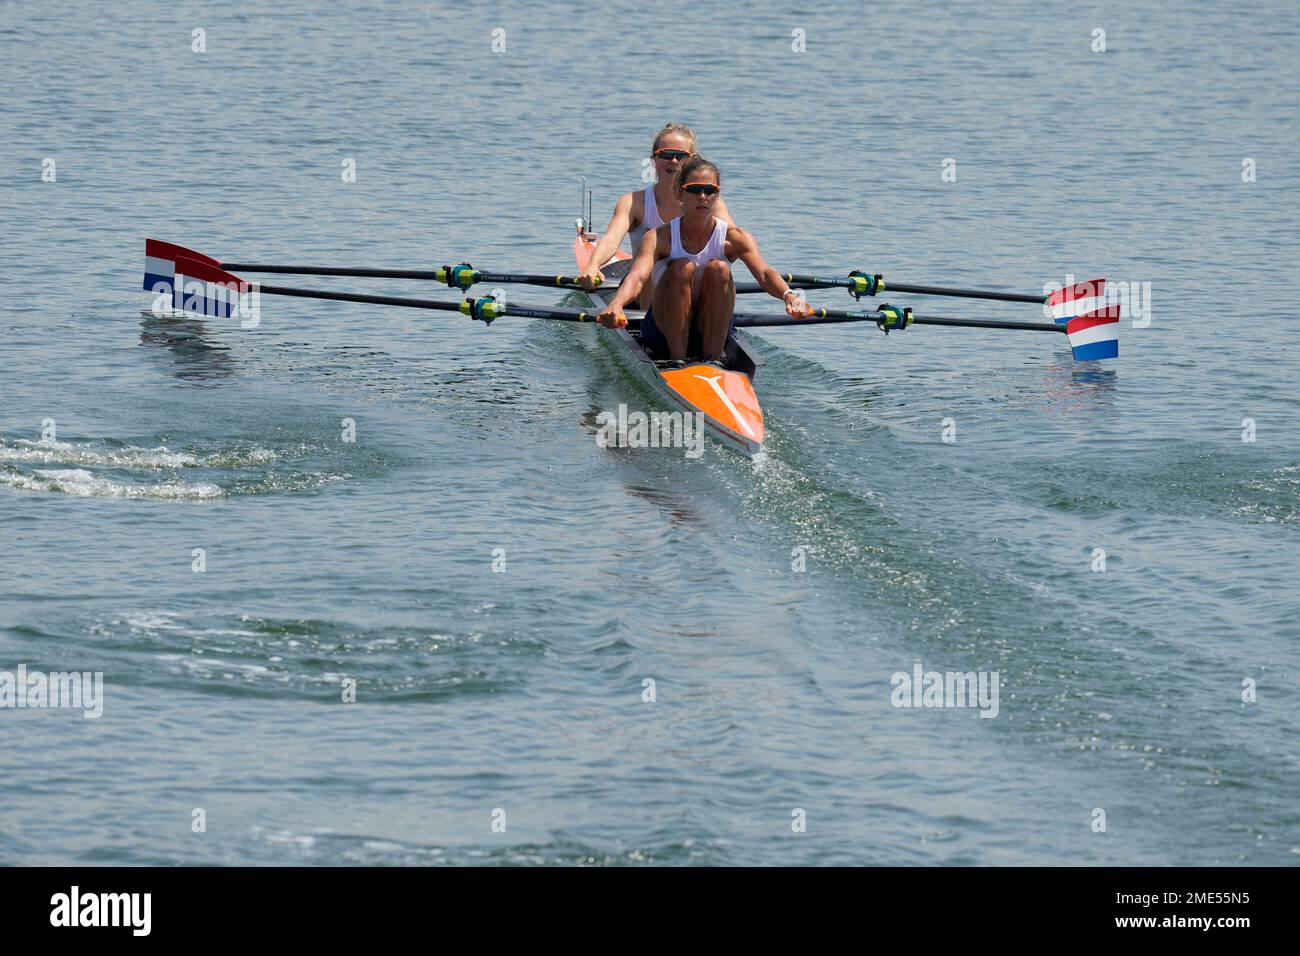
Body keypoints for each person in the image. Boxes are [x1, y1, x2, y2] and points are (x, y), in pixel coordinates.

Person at [597, 156, 813, 363]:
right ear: (680, 194)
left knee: (719, 269)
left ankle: (713, 360)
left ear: (717, 196)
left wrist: (790, 296)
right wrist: (616, 304)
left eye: (710, 190)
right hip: (662, 331)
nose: (703, 196)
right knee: (681, 267)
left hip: (709, 328)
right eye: (694, 189)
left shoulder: (735, 238)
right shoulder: (659, 237)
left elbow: (764, 273)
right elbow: (637, 277)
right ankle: (677, 360)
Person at [576, 123, 733, 298]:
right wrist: (593, 265)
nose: (673, 161)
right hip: (646, 296)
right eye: (665, 154)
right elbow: (611, 241)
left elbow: (734, 240)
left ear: (693, 160)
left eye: (681, 156)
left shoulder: (712, 204)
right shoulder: (634, 203)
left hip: (694, 294)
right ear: (653, 160)